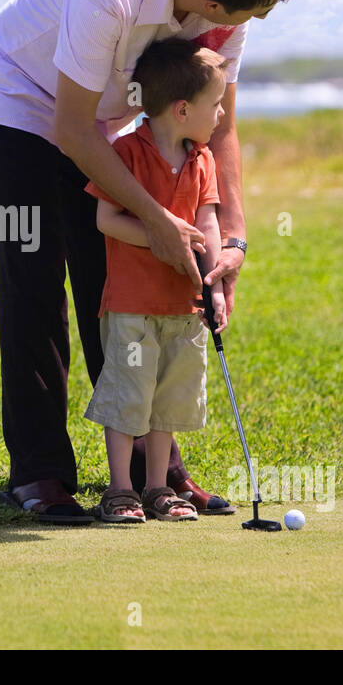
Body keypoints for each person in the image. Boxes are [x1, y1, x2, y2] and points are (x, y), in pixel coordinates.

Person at [0, 0, 294, 522]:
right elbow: (70, 128)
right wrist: (154, 218)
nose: (250, 26)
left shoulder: (222, 19)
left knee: (125, 287)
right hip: (25, 101)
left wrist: (232, 241)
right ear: (214, 0)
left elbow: (218, 123)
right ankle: (39, 473)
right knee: (35, 283)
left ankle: (154, 475)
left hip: (111, 120)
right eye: (249, 14)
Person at [83, 40, 229, 523]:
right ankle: (120, 489)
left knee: (168, 397)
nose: (222, 112)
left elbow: (208, 222)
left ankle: (157, 487)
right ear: (183, 109)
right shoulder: (126, 151)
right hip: (131, 303)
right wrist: (161, 236)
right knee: (130, 393)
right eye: (216, 103)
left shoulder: (203, 158)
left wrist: (211, 281)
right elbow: (107, 220)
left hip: (182, 305)